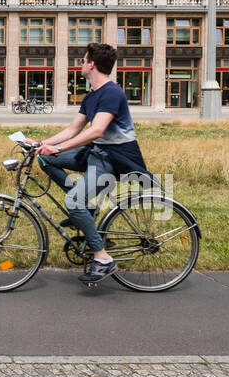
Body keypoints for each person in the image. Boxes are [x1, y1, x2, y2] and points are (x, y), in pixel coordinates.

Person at [24, 43, 150, 285]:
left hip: (112, 160)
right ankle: (86, 210)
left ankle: (102, 258)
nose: (80, 64)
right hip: (96, 153)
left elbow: (97, 130)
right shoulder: (92, 96)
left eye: (83, 60)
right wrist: (41, 144)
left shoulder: (112, 92)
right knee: (44, 159)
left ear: (91, 64)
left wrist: (59, 148)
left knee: (73, 202)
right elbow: (73, 129)